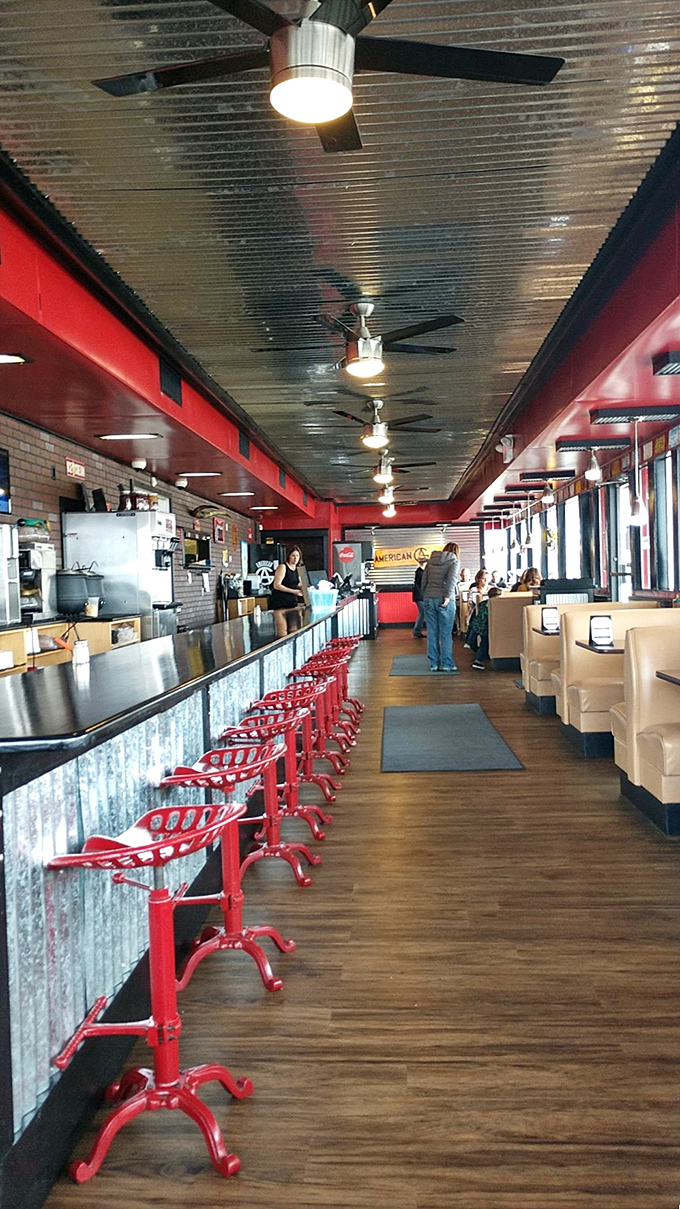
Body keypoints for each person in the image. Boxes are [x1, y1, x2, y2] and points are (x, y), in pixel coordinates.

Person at [421, 541, 460, 673]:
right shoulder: (453, 562)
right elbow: (451, 580)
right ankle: (447, 664)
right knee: (445, 634)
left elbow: (424, 581)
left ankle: (434, 664)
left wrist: (426, 595)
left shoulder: (431, 561)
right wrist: (447, 597)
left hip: (429, 597)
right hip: (445, 599)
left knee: (432, 632)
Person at [471, 586, 502, 670]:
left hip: (479, 626)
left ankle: (480, 657)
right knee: (484, 644)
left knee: (484, 643)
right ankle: (478, 660)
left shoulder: (484, 603)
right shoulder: (491, 606)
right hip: (484, 628)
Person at [463, 569, 489, 649]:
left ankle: (471, 640)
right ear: (478, 579)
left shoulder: (492, 589)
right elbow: (472, 604)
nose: (485, 581)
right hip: (476, 612)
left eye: (487, 579)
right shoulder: (473, 590)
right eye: (483, 578)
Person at [412, 556, 428, 638]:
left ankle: (417, 631)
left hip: (419, 596)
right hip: (420, 596)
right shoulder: (421, 572)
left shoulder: (419, 571)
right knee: (422, 613)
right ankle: (417, 631)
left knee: (422, 613)